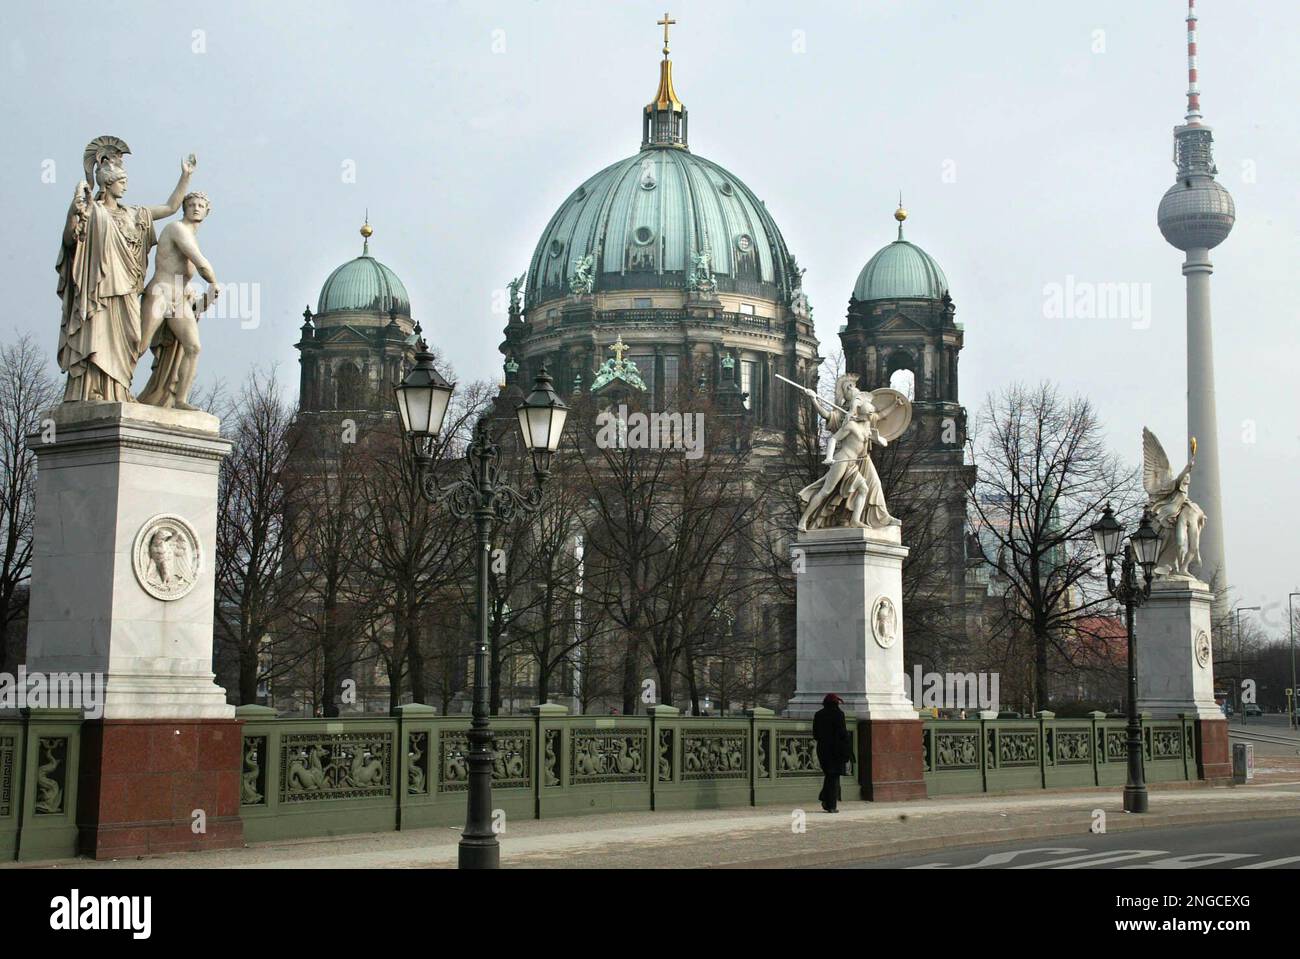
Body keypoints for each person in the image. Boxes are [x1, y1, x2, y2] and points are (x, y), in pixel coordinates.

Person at [812, 693, 853, 813]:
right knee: (833, 776)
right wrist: (847, 749)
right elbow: (842, 733)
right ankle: (831, 805)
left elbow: (815, 734)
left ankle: (826, 799)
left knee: (829, 775)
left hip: (822, 749)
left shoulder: (818, 714)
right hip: (836, 750)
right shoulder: (839, 714)